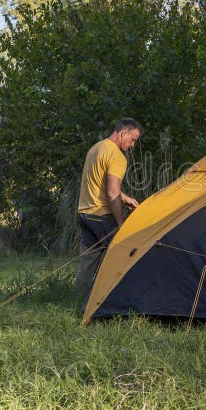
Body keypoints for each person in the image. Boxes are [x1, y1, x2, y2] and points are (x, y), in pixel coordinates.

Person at [75, 118, 142, 298]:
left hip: (85, 215)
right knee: (126, 257)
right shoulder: (117, 156)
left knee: (87, 264)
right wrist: (121, 223)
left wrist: (125, 198)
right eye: (133, 139)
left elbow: (101, 185)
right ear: (123, 133)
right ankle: (119, 302)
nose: (133, 145)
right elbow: (112, 194)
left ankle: (81, 301)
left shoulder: (96, 148)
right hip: (102, 216)